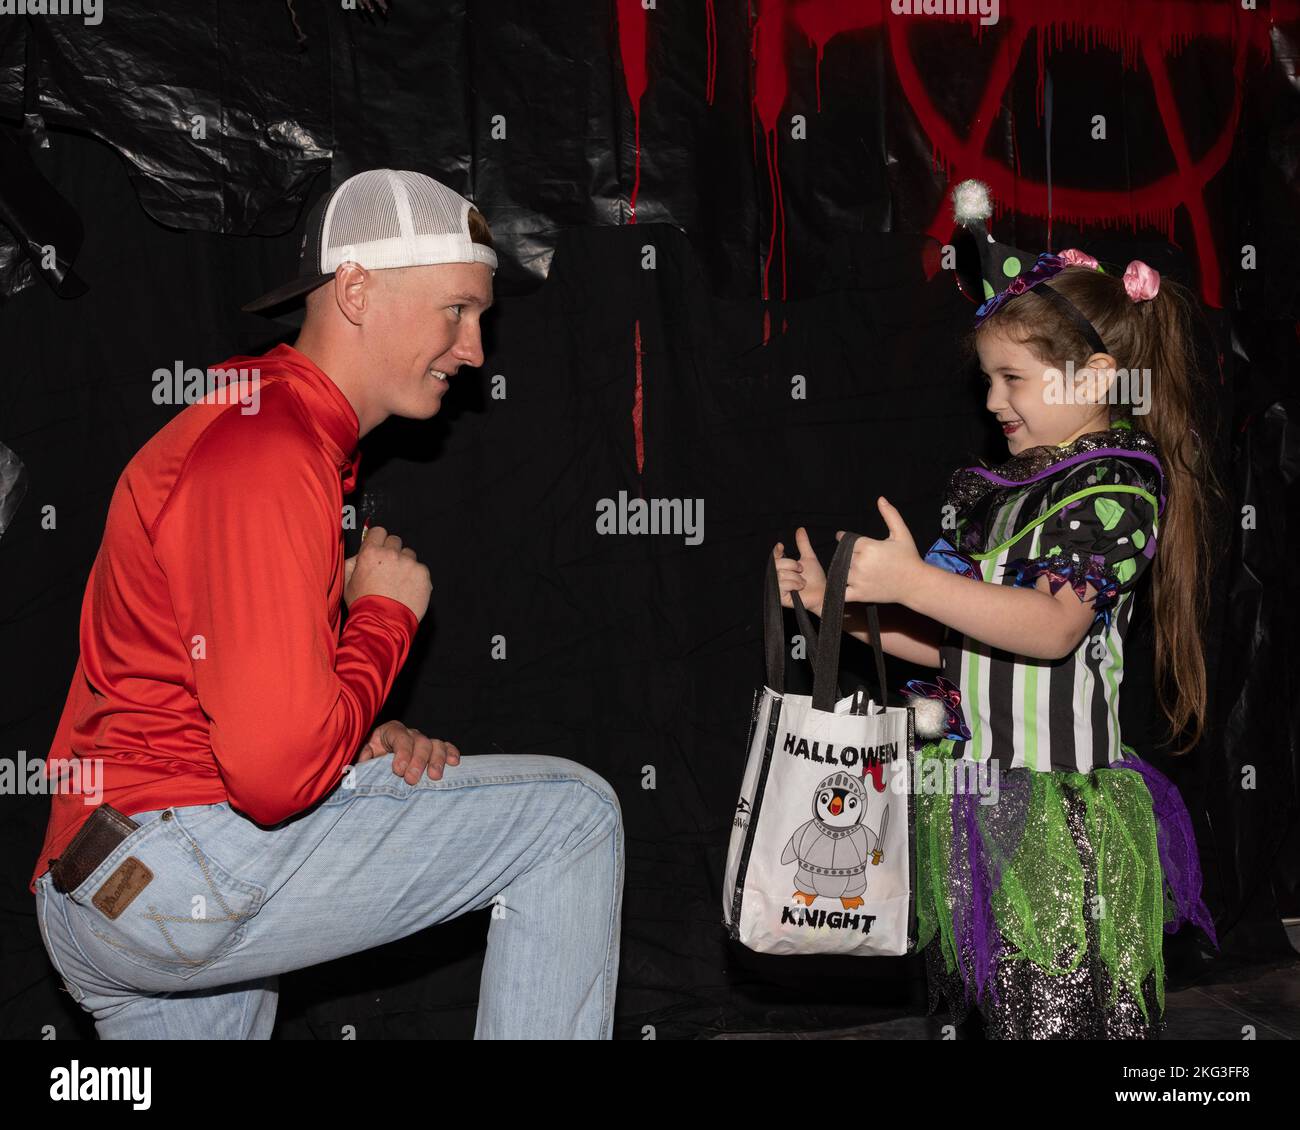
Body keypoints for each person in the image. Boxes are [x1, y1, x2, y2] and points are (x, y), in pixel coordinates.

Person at [30, 169, 623, 1040]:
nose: (474, 352)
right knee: (573, 820)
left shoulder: (258, 427)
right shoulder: (269, 450)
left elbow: (238, 720)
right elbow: (274, 779)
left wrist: (347, 734)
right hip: (176, 863)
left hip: (115, 887)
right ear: (355, 290)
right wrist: (382, 619)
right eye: (455, 312)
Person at [772, 184, 1220, 1038]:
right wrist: (844, 608)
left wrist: (910, 581)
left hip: (1062, 813)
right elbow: (956, 648)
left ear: (1094, 376)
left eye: (1011, 378)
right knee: (1006, 1013)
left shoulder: (1116, 487)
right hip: (981, 796)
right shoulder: (999, 499)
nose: (990, 402)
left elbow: (1051, 629)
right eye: (987, 379)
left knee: (1063, 1018)